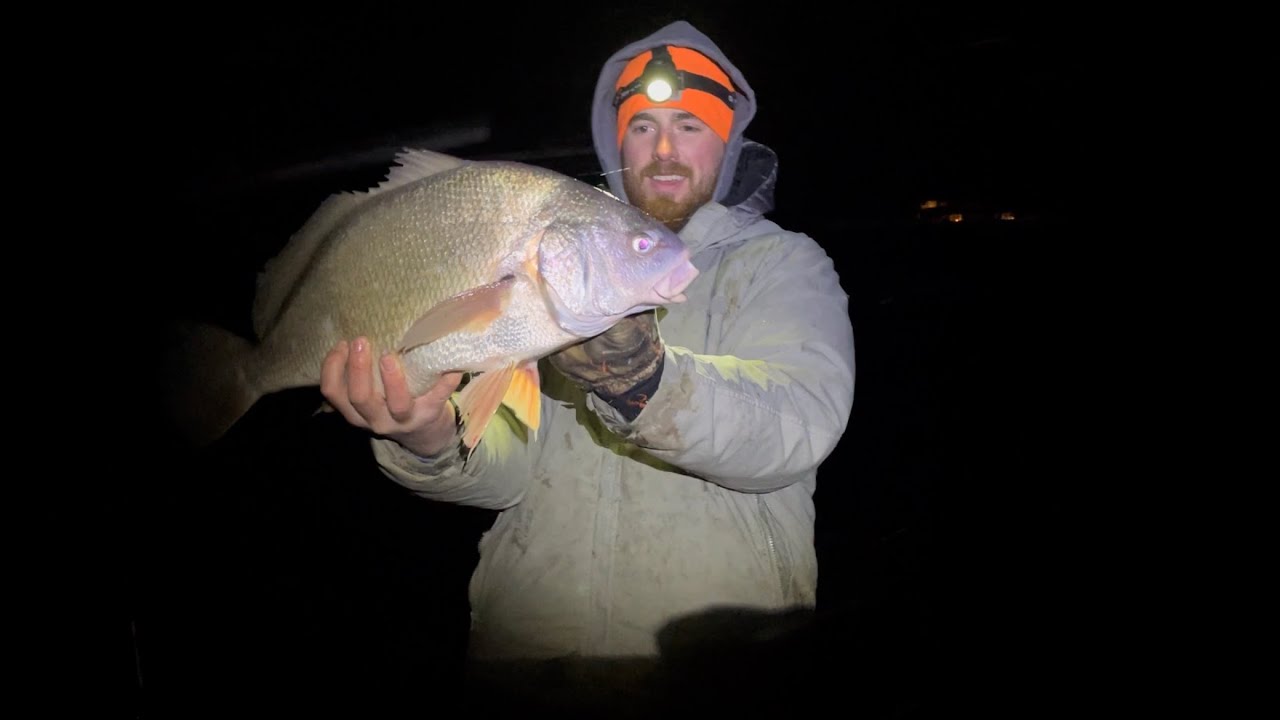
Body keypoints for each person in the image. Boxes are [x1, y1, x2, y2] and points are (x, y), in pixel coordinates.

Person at [318, 19, 856, 712]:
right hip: (523, 669)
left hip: (715, 674)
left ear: (728, 143)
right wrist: (428, 437)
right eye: (643, 127)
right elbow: (508, 476)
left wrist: (647, 382)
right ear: (616, 144)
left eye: (690, 125)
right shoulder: (558, 263)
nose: (664, 149)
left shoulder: (783, 265)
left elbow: (798, 428)